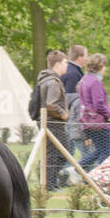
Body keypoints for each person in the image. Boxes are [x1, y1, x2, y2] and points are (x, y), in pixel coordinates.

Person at [37, 50, 70, 191]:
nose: (66, 66)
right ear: (57, 64)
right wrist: (63, 114)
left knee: (53, 154)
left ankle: (50, 182)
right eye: (65, 63)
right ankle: (49, 184)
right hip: (53, 122)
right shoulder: (53, 82)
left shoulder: (46, 79)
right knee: (63, 152)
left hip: (48, 122)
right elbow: (51, 104)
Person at [79, 53, 110, 171]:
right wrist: (109, 116)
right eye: (104, 66)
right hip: (98, 123)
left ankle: (78, 170)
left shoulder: (84, 80)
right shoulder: (95, 82)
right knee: (105, 152)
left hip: (87, 122)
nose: (105, 69)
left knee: (99, 151)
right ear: (99, 66)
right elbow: (99, 104)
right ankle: (97, 178)